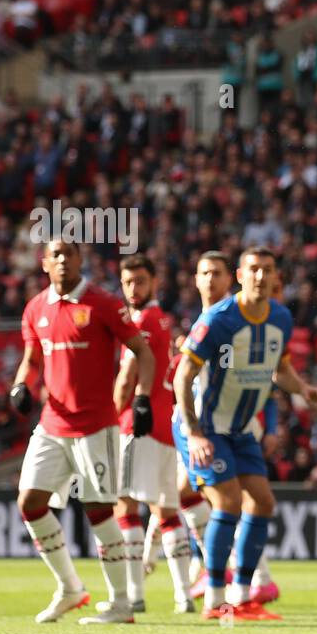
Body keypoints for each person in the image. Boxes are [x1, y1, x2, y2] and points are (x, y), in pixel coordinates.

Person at [173, 247, 317, 621]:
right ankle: (213, 598)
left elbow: (281, 371)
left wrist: (303, 388)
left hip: (241, 430)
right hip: (204, 428)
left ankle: (242, 596)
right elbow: (183, 375)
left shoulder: (281, 317)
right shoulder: (218, 319)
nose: (261, 276)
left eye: (268, 270)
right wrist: (194, 433)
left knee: (261, 502)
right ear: (240, 275)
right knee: (227, 501)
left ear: (277, 276)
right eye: (253, 269)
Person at [12, 239, 156, 624]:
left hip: (96, 425)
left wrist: (142, 399)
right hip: (52, 424)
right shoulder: (35, 308)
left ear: (79, 260)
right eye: (55, 254)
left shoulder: (103, 303)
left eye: (70, 253)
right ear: (45, 263)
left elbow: (143, 351)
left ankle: (121, 603)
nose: (63, 260)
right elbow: (30, 358)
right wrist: (20, 385)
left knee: (98, 509)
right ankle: (70, 588)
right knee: (29, 502)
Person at [100, 255, 194, 614]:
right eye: (127, 282)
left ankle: (135, 596)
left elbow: (126, 379)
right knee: (167, 511)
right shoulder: (167, 322)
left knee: (125, 506)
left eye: (139, 281)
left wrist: (108, 417)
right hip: (166, 426)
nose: (133, 288)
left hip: (136, 425)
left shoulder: (139, 321)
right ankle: (183, 596)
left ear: (154, 282)